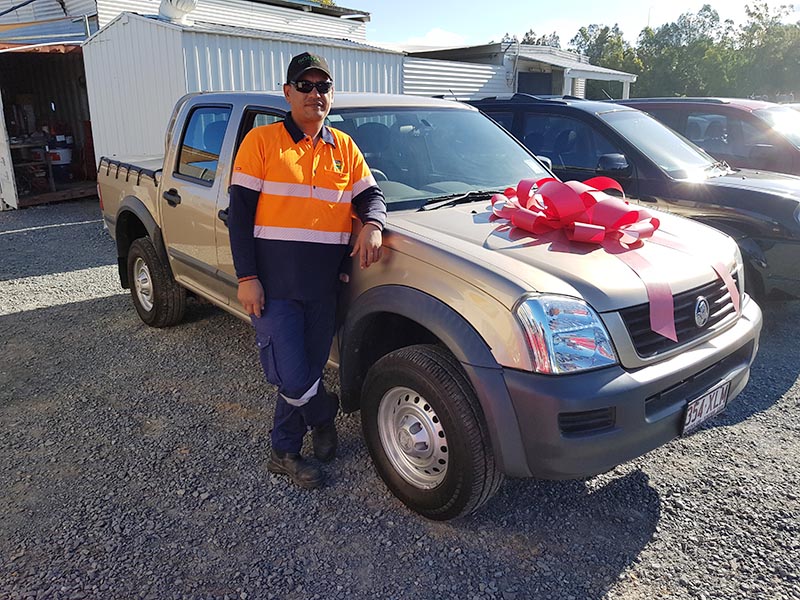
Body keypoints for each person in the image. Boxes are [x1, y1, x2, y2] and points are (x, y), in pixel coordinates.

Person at [228, 52, 387, 489]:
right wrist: (247, 277)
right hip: (274, 288)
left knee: (306, 374)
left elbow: (371, 196)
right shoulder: (261, 142)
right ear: (287, 93)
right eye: (305, 85)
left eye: (323, 87)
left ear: (330, 96)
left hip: (324, 289)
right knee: (292, 376)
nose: (314, 94)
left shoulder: (345, 149)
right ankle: (324, 413)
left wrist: (373, 225)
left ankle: (283, 452)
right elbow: (239, 216)